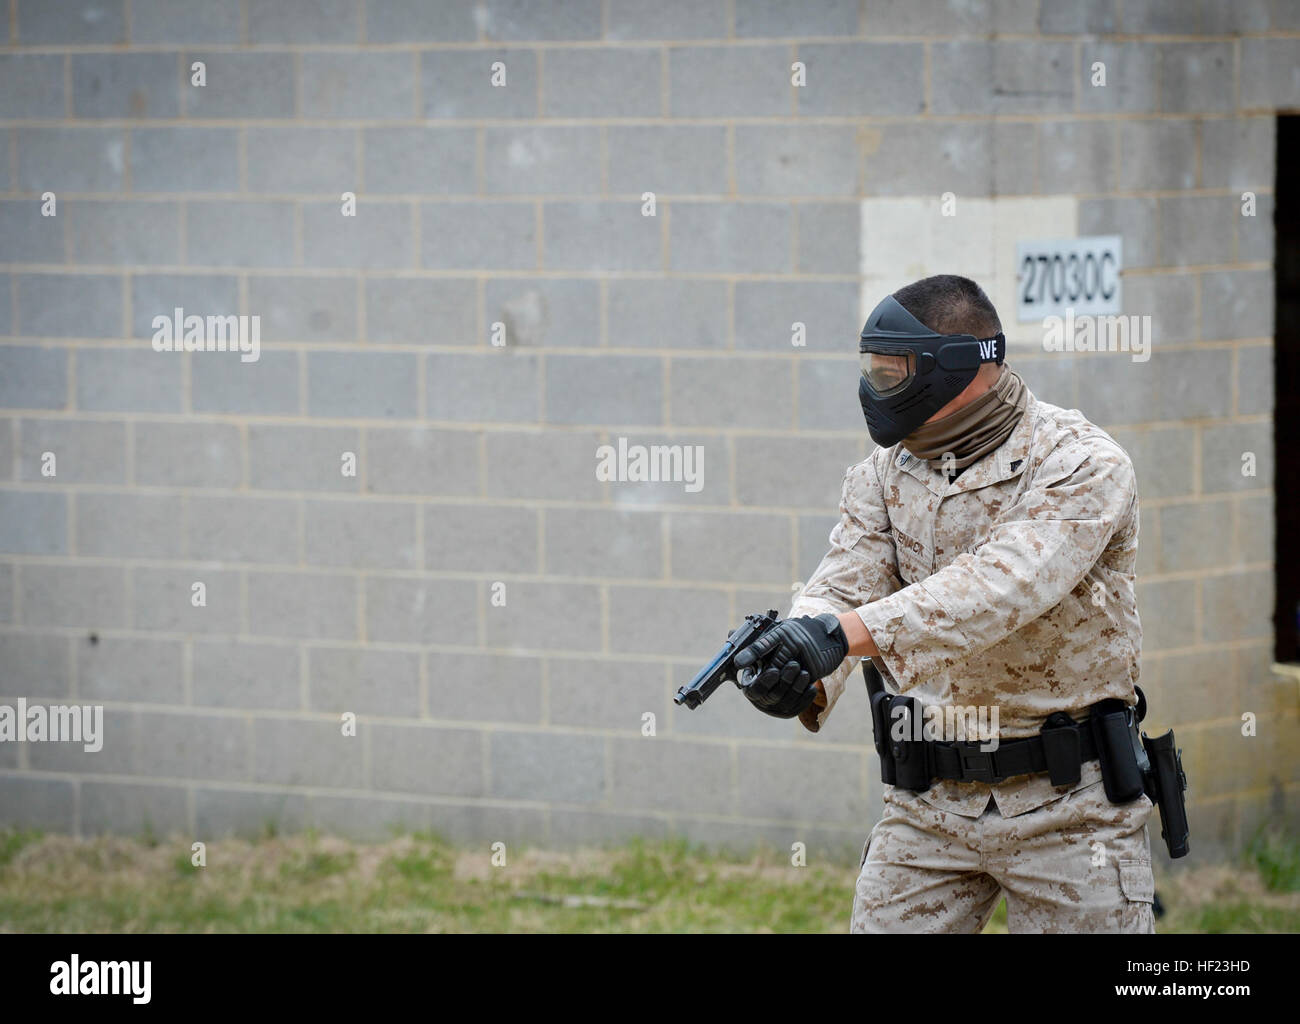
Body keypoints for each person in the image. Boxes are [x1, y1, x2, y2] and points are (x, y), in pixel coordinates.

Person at [735, 274, 1156, 933]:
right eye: (870, 370)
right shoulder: (885, 471)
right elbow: (846, 579)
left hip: (1070, 809)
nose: (876, 389)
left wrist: (840, 634)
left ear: (959, 365)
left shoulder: (1081, 463)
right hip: (928, 803)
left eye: (891, 372)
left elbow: (998, 588)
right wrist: (802, 666)